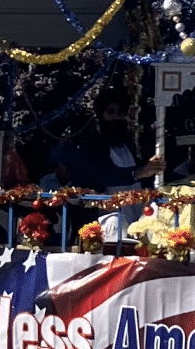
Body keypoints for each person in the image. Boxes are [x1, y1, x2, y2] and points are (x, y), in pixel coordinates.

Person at [59, 90, 164, 240]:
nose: (116, 118)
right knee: (116, 223)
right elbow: (108, 175)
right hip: (99, 215)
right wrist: (139, 173)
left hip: (133, 209)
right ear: (101, 115)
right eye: (110, 112)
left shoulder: (128, 145)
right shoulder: (89, 146)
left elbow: (141, 178)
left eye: (120, 113)